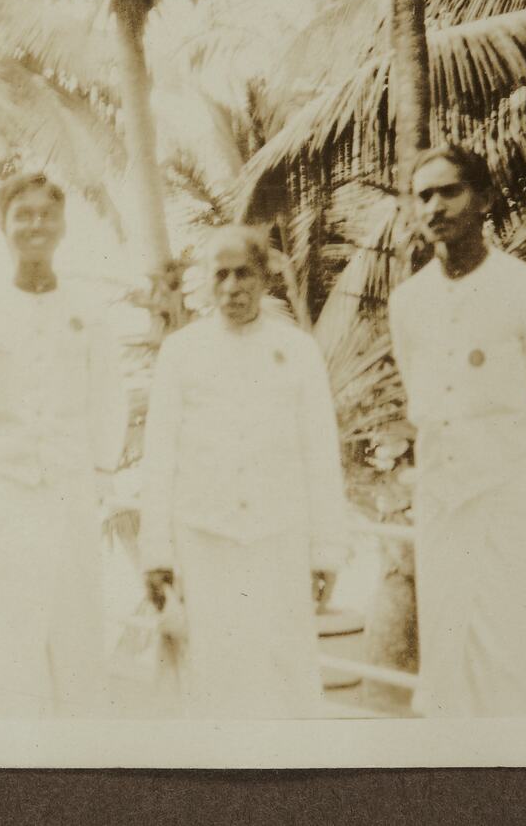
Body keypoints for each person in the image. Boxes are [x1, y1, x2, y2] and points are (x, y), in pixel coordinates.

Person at [388, 144, 526, 717]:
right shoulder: (408, 303)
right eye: (423, 195)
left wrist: (513, 475)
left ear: (484, 198)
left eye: (449, 190)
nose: (435, 206)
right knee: (452, 660)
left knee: (524, 653)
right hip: (443, 506)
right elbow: (423, 396)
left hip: (510, 503)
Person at [138, 224, 347, 719]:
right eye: (221, 275)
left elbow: (321, 455)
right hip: (205, 540)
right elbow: (159, 457)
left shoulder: (297, 351)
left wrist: (327, 552)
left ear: (265, 278)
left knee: (285, 673)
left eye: (244, 274)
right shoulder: (181, 351)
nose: (232, 287)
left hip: (280, 541)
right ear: (206, 282)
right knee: (214, 677)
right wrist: (156, 554)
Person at [0, 172, 125, 718]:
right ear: (4, 227)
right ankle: (9, 755)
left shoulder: (88, 313)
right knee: (8, 626)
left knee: (76, 621)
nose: (35, 224)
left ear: (63, 226)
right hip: (5, 489)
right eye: (23, 214)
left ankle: (83, 757)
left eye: (46, 214)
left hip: (70, 486)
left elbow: (108, 397)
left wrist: (100, 472)